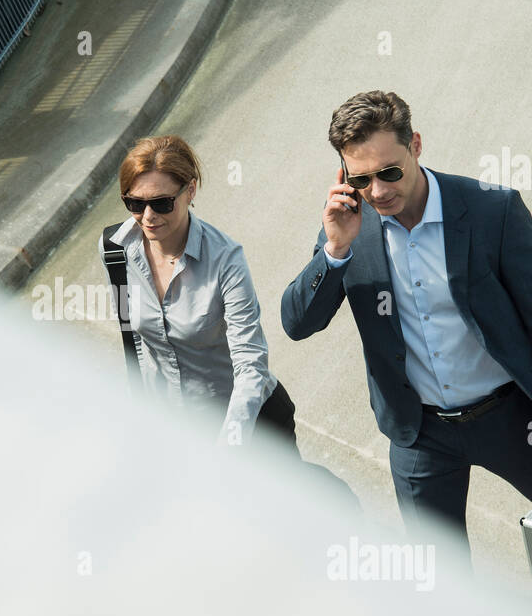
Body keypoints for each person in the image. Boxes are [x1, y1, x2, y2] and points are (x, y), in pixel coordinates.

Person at [279, 91, 532, 614]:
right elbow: (298, 323)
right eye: (360, 179)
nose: (377, 191)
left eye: (389, 172)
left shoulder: (491, 210)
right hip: (422, 433)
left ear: (415, 145)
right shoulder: (351, 228)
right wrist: (335, 251)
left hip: (512, 417)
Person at [99, 135, 359, 511]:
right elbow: (134, 342)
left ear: (190, 191)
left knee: (280, 516)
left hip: (250, 427)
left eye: (161, 203)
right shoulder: (115, 248)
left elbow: (251, 366)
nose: (148, 217)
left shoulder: (226, 261)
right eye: (134, 203)